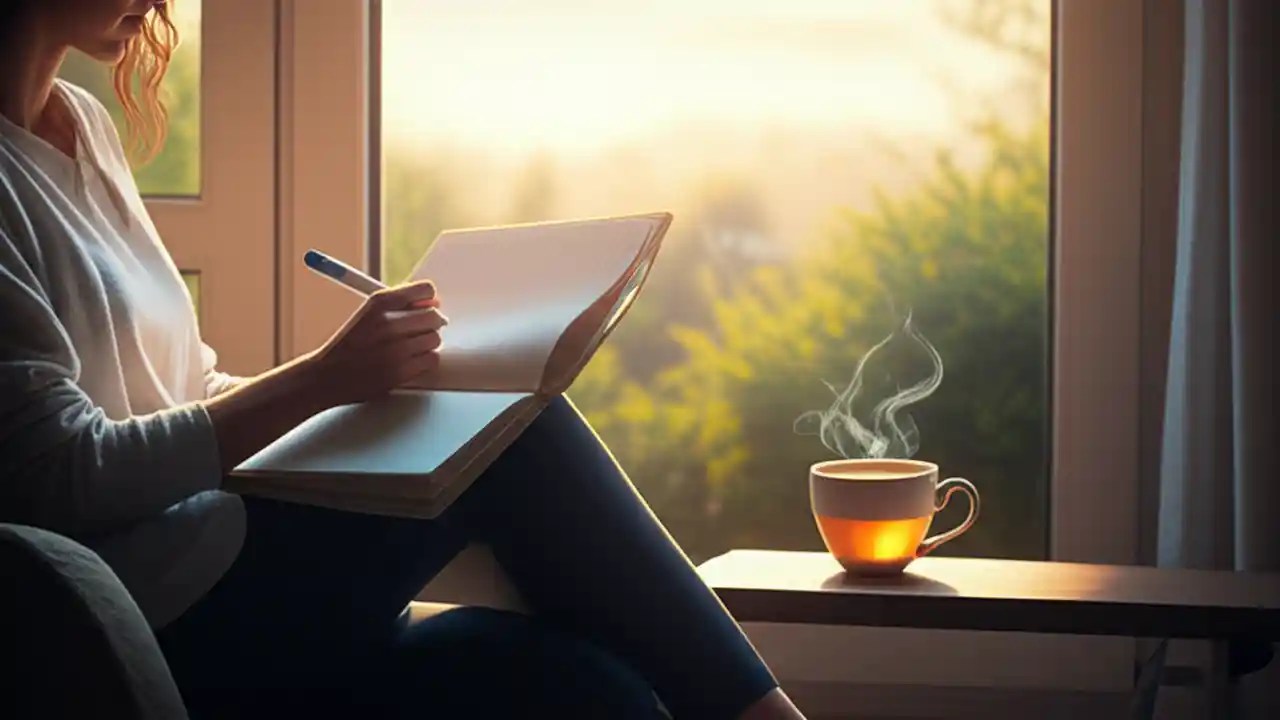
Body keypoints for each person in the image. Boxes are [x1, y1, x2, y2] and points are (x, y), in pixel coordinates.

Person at [0, 1, 811, 718]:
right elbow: (61, 477)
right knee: (512, 437)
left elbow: (184, 387)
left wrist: (367, 390)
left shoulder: (80, 123)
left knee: (590, 688)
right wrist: (325, 378)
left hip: (229, 559)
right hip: (160, 622)